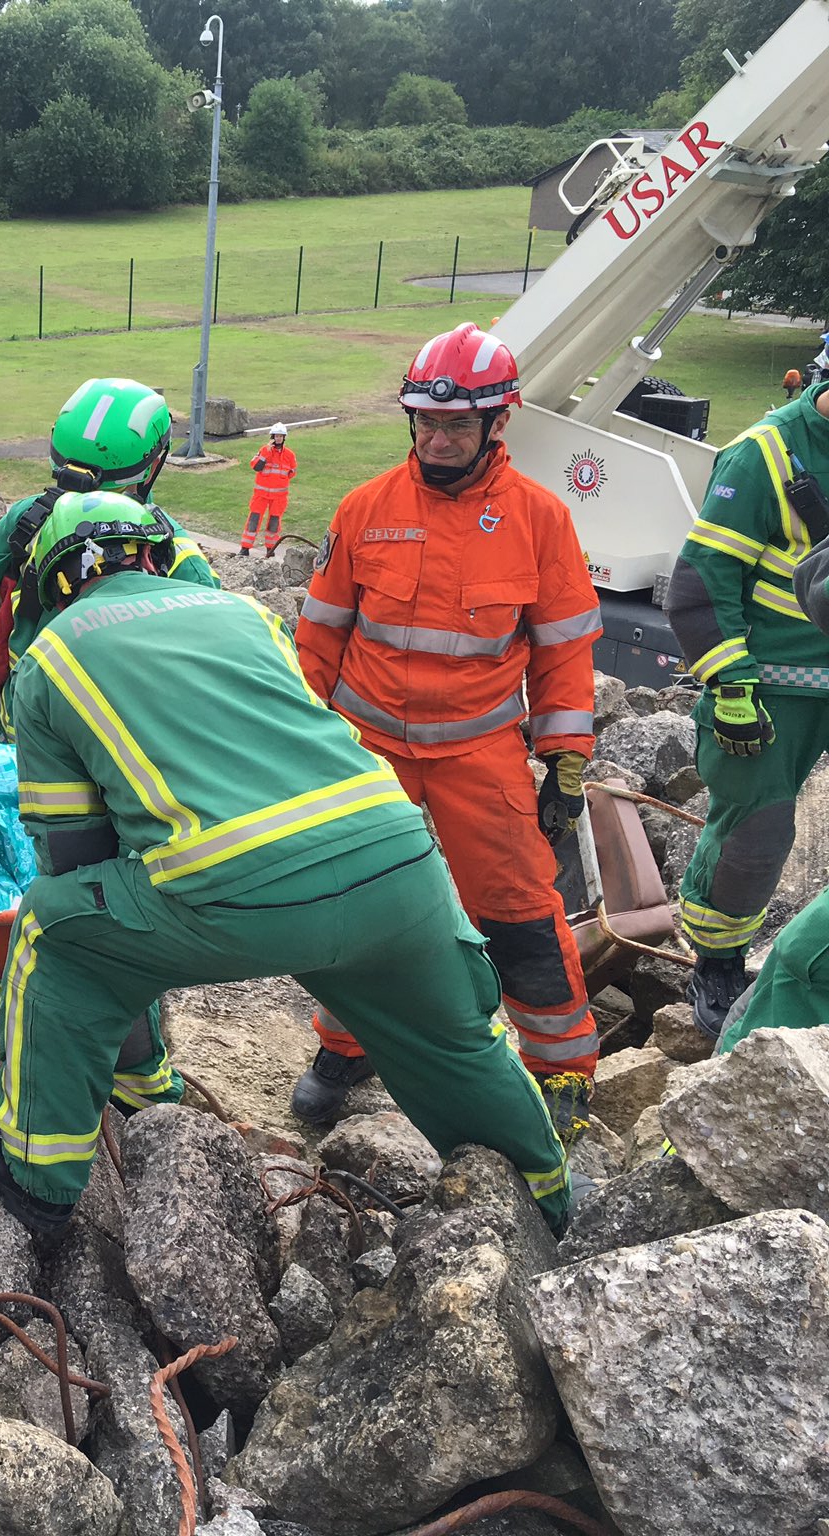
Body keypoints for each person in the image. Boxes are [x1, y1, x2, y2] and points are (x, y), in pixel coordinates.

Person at [0, 491, 571, 1238]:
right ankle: (549, 1204)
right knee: (456, 1045)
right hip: (398, 866)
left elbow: (75, 857)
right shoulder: (247, 615)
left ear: (53, 582)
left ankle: (38, 1182)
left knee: (56, 930)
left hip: (238, 900)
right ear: (155, 556)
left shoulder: (50, 659)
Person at [293, 322, 602, 1139]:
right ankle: (344, 1044)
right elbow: (319, 638)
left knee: (519, 912)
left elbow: (566, 651)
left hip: (478, 751)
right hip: (366, 748)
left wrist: (566, 759)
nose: (435, 440)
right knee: (355, 905)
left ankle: (560, 1067)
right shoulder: (366, 508)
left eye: (455, 426)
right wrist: (294, 737)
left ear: (499, 423)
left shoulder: (541, 520)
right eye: (424, 423)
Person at [0, 378, 218, 1013]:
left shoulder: (32, 520)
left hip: (70, 735)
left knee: (60, 857)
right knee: (53, 857)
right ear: (153, 464)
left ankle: (38, 975)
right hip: (86, 737)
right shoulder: (164, 547)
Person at [0, 378, 219, 753]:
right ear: (155, 463)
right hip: (91, 750)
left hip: (60, 745)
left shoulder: (28, 523)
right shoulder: (173, 554)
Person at [664, 372, 829, 1037]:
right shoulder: (765, 455)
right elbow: (701, 584)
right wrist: (731, 682)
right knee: (756, 834)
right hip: (774, 683)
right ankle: (719, 960)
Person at [240, 423, 296, 556]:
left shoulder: (289, 455)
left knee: (274, 523)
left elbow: (292, 472)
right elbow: (256, 467)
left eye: (280, 436)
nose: (278, 439)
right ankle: (245, 547)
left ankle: (270, 548)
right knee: (254, 520)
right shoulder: (264, 451)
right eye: (276, 436)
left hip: (279, 497)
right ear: (272, 437)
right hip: (261, 495)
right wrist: (265, 452)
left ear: (284, 438)